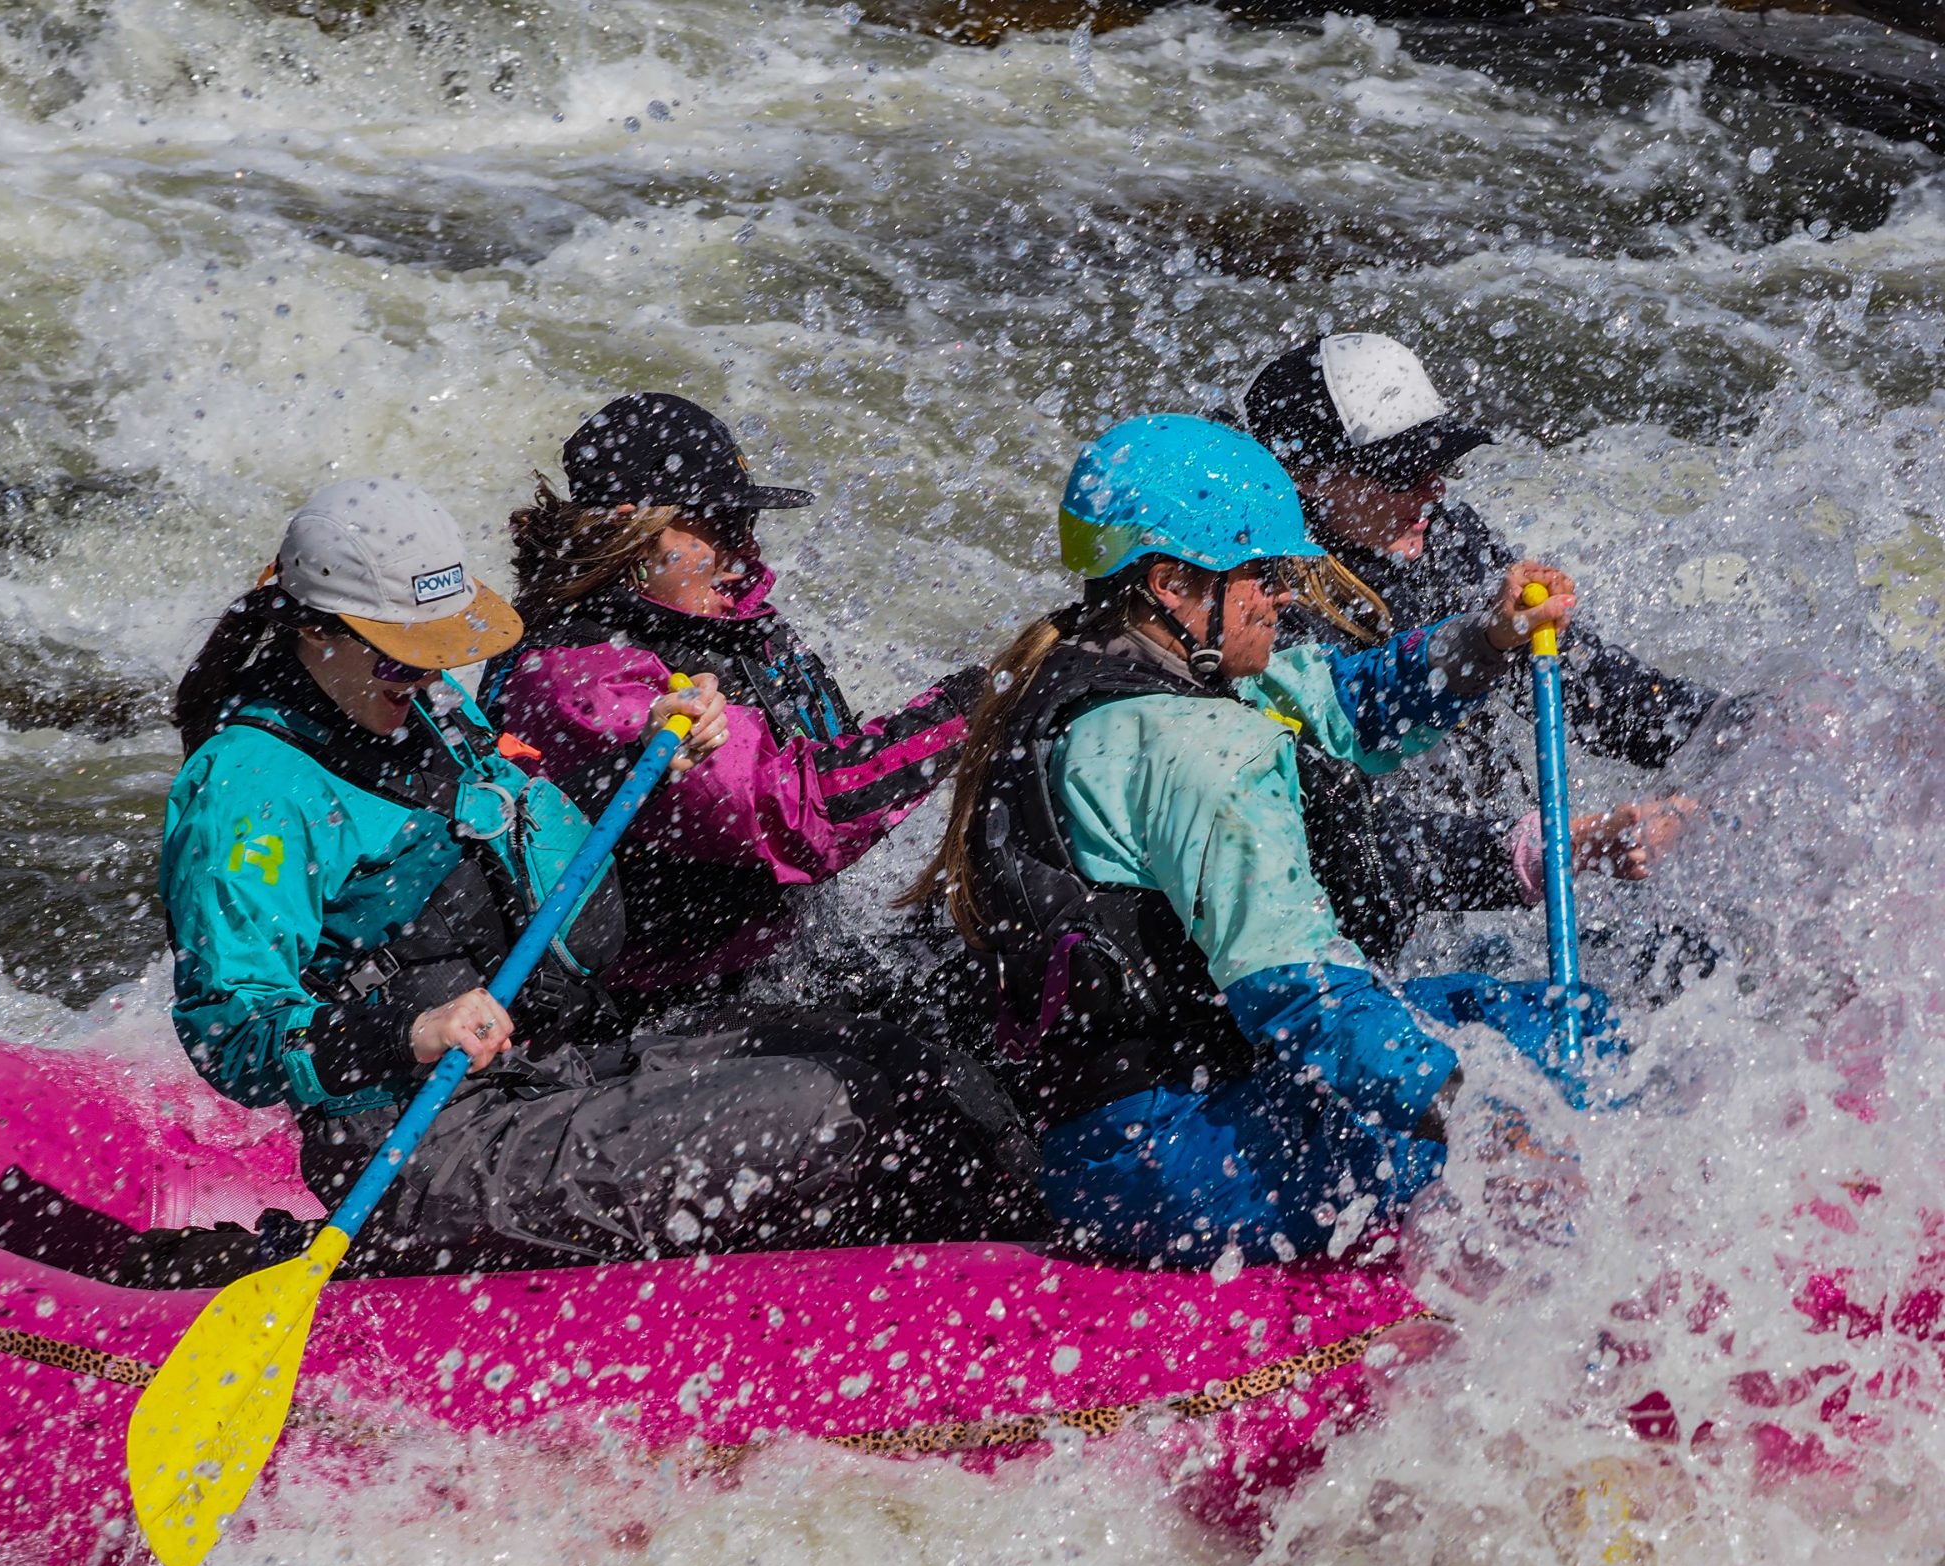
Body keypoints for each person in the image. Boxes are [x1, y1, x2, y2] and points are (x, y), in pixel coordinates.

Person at [162, 476, 1014, 1273]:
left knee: (893, 1056)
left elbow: (512, 837)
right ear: (314, 628)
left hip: (538, 1079)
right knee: (829, 1106)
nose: (426, 676)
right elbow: (228, 1033)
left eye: (436, 652)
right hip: (416, 1153)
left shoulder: (413, 707)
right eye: (400, 657)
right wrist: (409, 1031)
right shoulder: (251, 792)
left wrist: (651, 745)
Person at [905, 416, 1605, 1265]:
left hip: (1127, 1124)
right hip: (1169, 1160)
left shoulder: (1081, 667)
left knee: (1522, 1017)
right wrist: (1487, 1125)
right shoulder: (1196, 751)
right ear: (1172, 584)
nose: (1285, 595)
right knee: (1569, 1065)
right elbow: (1305, 1000)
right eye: (1264, 575)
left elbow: (1351, 700)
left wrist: (1488, 638)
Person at [481, 393, 985, 1015]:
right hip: (655, 1009)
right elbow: (798, 817)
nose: (744, 552)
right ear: (630, 529)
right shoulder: (573, 676)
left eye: (747, 527)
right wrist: (971, 710)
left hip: (778, 962)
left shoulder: (738, 629)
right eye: (720, 526)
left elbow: (845, 756)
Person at [1243, 332, 1730, 966]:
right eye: (1403, 472)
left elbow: (1584, 685)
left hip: (1482, 900)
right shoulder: (1261, 620)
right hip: (1356, 944)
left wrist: (1731, 731)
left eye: (1438, 462)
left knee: (1700, 958)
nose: (1433, 491)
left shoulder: (1441, 539)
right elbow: (1358, 849)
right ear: (1305, 474)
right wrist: (1564, 847)